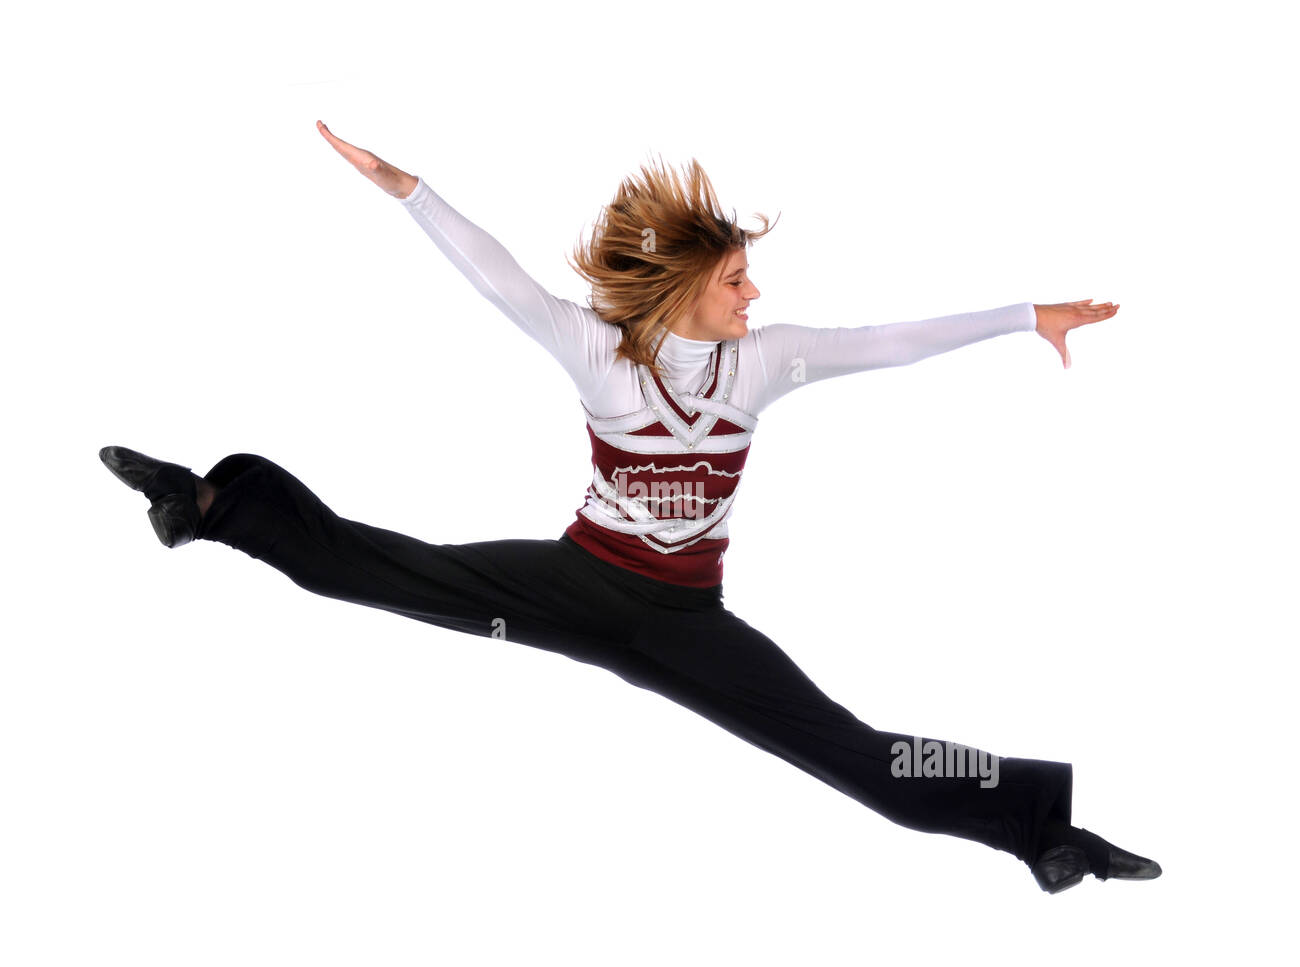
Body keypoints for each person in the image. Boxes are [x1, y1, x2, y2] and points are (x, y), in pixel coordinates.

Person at [98, 120, 1161, 895]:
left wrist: (1030, 315)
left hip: (687, 624)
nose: (754, 296)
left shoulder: (770, 362)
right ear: (686, 285)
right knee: (357, 569)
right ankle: (203, 500)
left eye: (751, 280)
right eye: (736, 280)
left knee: (865, 762)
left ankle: (1039, 821)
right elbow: (500, 278)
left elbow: (893, 340)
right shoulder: (599, 352)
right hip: (569, 585)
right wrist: (407, 188)